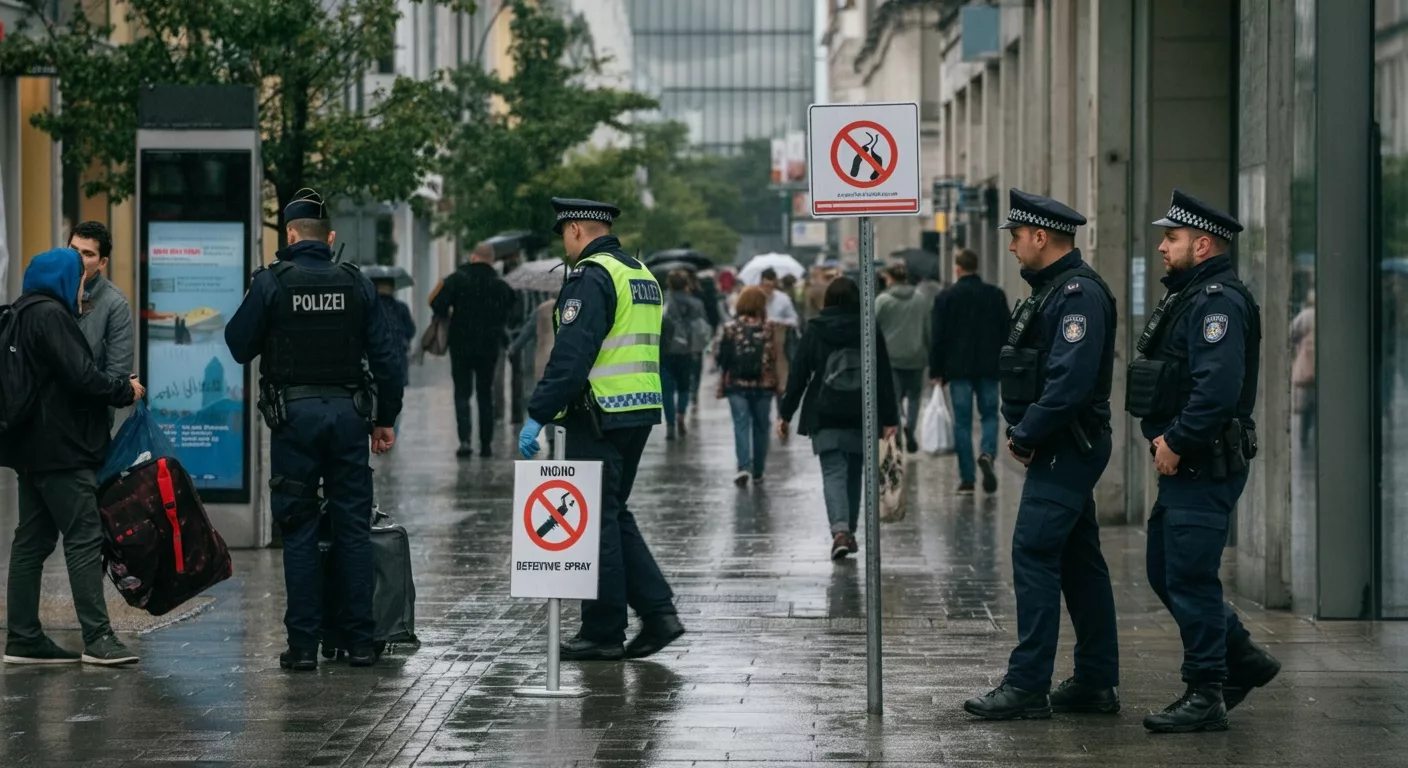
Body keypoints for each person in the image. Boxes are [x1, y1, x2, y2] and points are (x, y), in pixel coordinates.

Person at [224, 189, 403, 671]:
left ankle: (303, 647)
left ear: (288, 235)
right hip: (349, 417)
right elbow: (388, 357)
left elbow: (238, 345)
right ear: (329, 237)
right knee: (351, 528)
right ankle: (361, 642)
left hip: (294, 421)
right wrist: (385, 418)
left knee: (300, 530)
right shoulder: (356, 282)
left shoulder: (271, 283)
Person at [1127, 190, 1281, 732]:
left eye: (1171, 238)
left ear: (1203, 242)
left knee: (1189, 575)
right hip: (1189, 461)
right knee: (1164, 568)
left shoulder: (1218, 300)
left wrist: (1176, 441)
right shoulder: (1191, 296)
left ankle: (1206, 690)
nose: (1163, 248)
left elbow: (1216, 390)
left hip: (1203, 461)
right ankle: (1243, 657)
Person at [962, 189, 1120, 721]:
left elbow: (1069, 382)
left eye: (1014, 236)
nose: (1010, 246)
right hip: (1062, 443)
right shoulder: (1052, 290)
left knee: (1033, 553)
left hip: (1064, 445)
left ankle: (1027, 685)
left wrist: (1026, 433)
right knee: (1080, 563)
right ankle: (1095, 682)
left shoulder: (1075, 294)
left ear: (1039, 236)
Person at [518, 197, 684, 661]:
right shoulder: (640, 273)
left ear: (575, 231)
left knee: (597, 522)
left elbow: (572, 355)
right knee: (611, 512)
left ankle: (604, 630)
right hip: (639, 410)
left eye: (564, 236)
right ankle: (657, 613)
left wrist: (538, 413)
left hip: (597, 413)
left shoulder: (592, 276)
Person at [1, 248, 144, 666]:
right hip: (62, 449)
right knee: (84, 538)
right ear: (65, 278)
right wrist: (123, 389)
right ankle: (98, 638)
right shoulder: (51, 316)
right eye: (79, 277)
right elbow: (81, 376)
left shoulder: (19, 313)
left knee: (33, 539)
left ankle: (24, 637)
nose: (83, 285)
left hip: (29, 450)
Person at [777, 277, 899, 561]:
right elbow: (883, 374)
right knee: (854, 472)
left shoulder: (816, 330)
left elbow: (798, 375)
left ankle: (840, 531)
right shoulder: (868, 328)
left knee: (833, 471)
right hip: (861, 411)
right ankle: (849, 532)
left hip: (825, 410)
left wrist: (786, 413)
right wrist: (889, 417)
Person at [930, 248, 1010, 494]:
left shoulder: (946, 297)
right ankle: (987, 453)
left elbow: (938, 337)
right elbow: (1008, 330)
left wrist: (937, 371)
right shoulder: (995, 295)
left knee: (962, 423)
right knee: (989, 415)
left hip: (958, 369)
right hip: (989, 366)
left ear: (958, 268)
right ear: (977, 266)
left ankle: (967, 479)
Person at [430, 242, 518, 458]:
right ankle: (486, 444)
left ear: (473, 256)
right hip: (489, 346)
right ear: (492, 259)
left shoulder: (457, 279)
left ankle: (465, 440)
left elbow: (436, 303)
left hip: (460, 344)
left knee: (462, 393)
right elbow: (512, 312)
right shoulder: (501, 285)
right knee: (484, 394)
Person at [716, 286, 786, 487]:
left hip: (736, 384)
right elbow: (778, 357)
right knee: (762, 426)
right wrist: (781, 382)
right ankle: (758, 471)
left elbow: (721, 358)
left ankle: (743, 466)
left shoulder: (730, 328)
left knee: (741, 424)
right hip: (764, 385)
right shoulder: (770, 328)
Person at [70, 221, 134, 426]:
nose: (77, 259)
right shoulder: (51, 291)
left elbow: (117, 374)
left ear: (102, 262)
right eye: (73, 250)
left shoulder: (114, 303)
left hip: (88, 424)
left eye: (87, 254)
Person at [874, 263, 931, 453]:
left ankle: (898, 432)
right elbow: (928, 329)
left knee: (895, 399)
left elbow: (873, 328)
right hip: (917, 357)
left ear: (890, 278)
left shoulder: (882, 301)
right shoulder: (921, 299)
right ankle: (910, 429)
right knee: (914, 398)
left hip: (891, 358)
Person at [660, 270, 707, 440]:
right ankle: (681, 413)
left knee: (667, 389)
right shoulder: (696, 303)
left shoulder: (663, 301)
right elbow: (703, 327)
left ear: (669, 284)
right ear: (686, 284)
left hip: (665, 350)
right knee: (684, 386)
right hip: (688, 350)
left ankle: (670, 424)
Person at [372, 277, 416, 431]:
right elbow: (411, 330)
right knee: (394, 396)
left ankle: (375, 426)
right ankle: (391, 429)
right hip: (397, 360)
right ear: (393, 288)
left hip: (375, 360)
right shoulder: (401, 308)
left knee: (374, 394)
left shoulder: (371, 307)